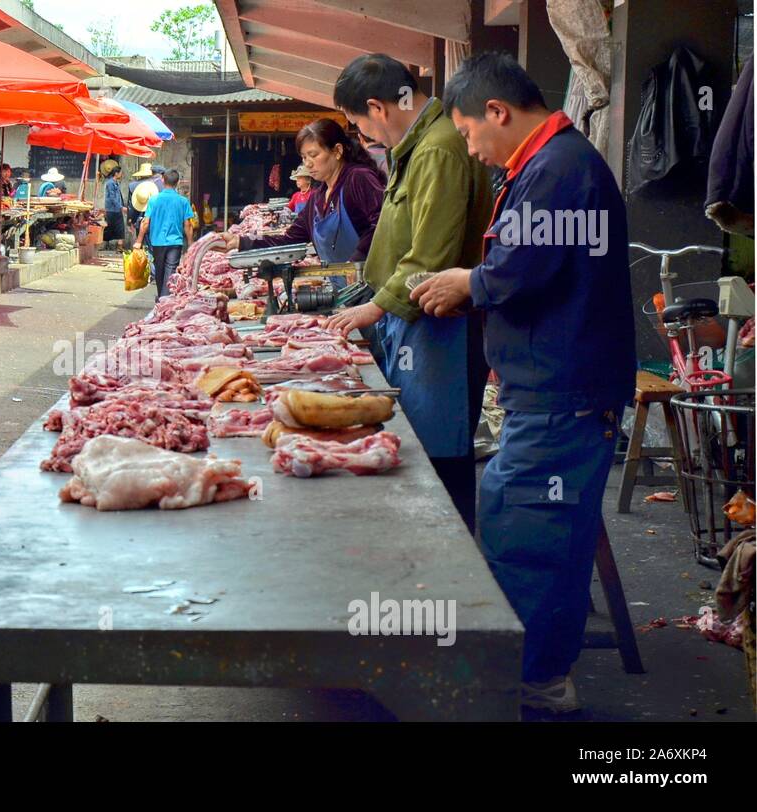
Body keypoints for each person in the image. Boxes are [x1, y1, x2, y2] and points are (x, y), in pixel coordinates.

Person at [411, 53, 635, 714]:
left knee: (527, 536)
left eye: (472, 134)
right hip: (555, 388)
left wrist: (464, 282)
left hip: (563, 393)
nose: (473, 151)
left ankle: (531, 685)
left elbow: (519, 272)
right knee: (535, 530)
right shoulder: (545, 165)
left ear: (498, 113)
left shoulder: (560, 169)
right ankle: (538, 676)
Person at [322, 54, 494, 534]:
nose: (365, 137)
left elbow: (429, 259)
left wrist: (372, 309)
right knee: (419, 448)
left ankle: (454, 573)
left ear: (377, 108)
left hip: (441, 328)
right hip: (416, 321)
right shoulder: (418, 145)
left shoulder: (438, 148)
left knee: (438, 458)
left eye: (359, 124)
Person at [214, 119, 384, 264]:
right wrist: (240, 242)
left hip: (370, 287)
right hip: (342, 290)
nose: (308, 164)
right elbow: (289, 239)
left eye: (314, 155)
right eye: (304, 157)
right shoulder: (317, 199)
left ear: (337, 151)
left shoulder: (358, 178)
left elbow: (382, 223)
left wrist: (357, 261)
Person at [134, 168, 195, 297]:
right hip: (175, 243)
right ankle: (163, 300)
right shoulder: (183, 201)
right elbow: (188, 225)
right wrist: (190, 244)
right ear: (177, 183)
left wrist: (139, 241)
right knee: (170, 272)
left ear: (162, 180)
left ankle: (162, 299)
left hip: (157, 242)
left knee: (160, 273)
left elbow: (145, 222)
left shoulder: (154, 200)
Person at [102, 164, 127, 250]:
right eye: (120, 173)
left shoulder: (116, 183)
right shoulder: (110, 183)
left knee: (120, 228)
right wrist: (121, 207)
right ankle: (104, 244)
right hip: (111, 210)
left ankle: (119, 246)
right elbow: (112, 198)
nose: (121, 174)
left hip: (116, 209)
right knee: (109, 227)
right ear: (116, 173)